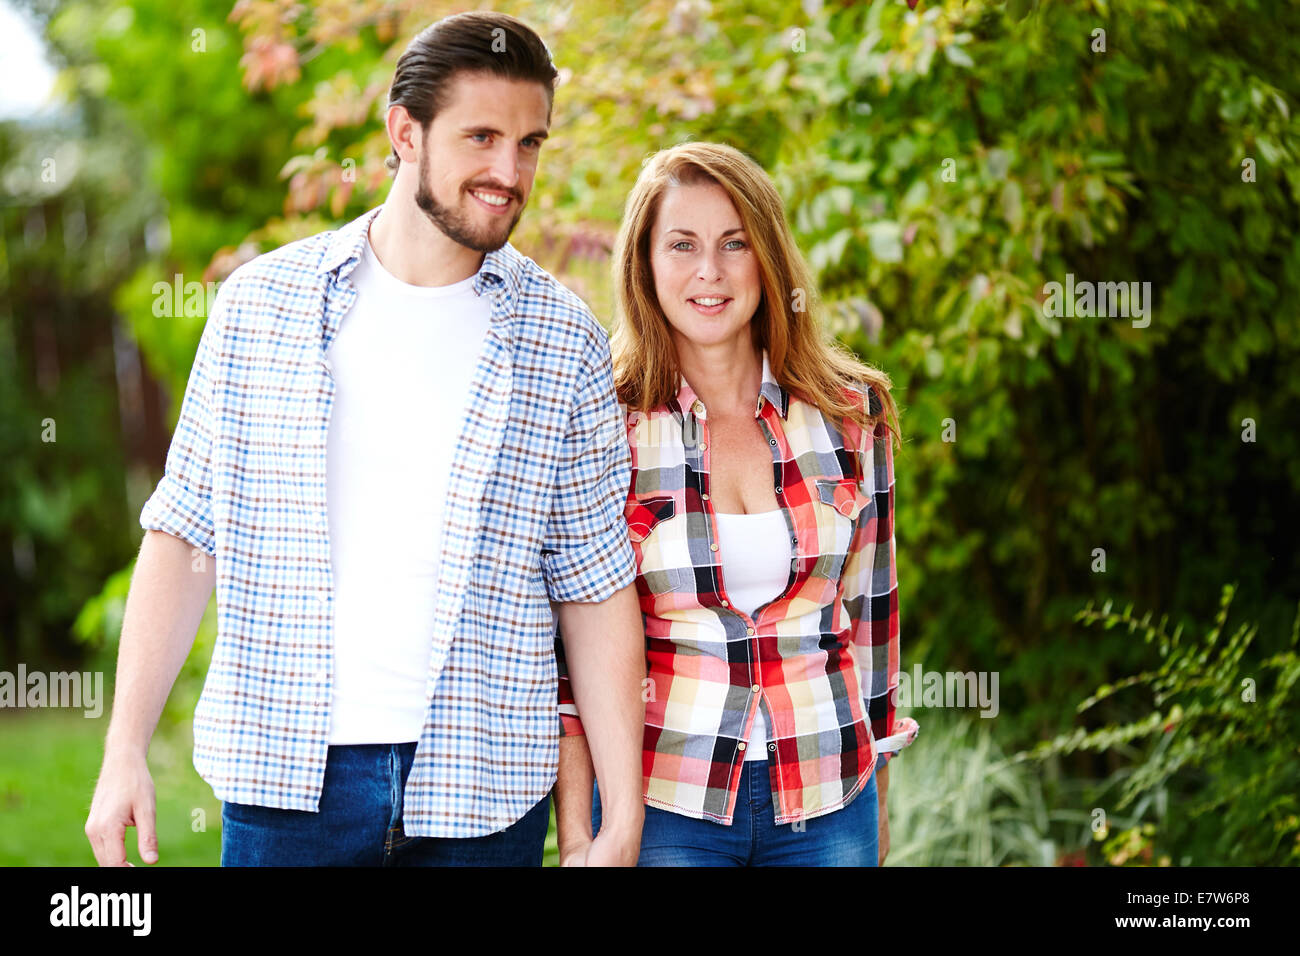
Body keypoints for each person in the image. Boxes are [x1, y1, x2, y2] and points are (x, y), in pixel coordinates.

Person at [84, 11, 646, 868]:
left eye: (530, 143)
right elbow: (186, 531)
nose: (509, 171)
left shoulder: (562, 338)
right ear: (404, 132)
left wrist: (621, 818)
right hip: (287, 786)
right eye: (482, 137)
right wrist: (124, 748)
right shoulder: (261, 307)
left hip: (483, 790)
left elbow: (593, 586)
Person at [554, 142, 919, 866]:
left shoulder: (851, 412)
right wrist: (576, 837)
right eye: (682, 245)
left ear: (768, 260)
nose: (709, 272)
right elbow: (574, 657)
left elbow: (873, 616)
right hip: (667, 802)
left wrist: (877, 798)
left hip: (830, 794)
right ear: (644, 264)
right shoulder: (605, 423)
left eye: (734, 244)